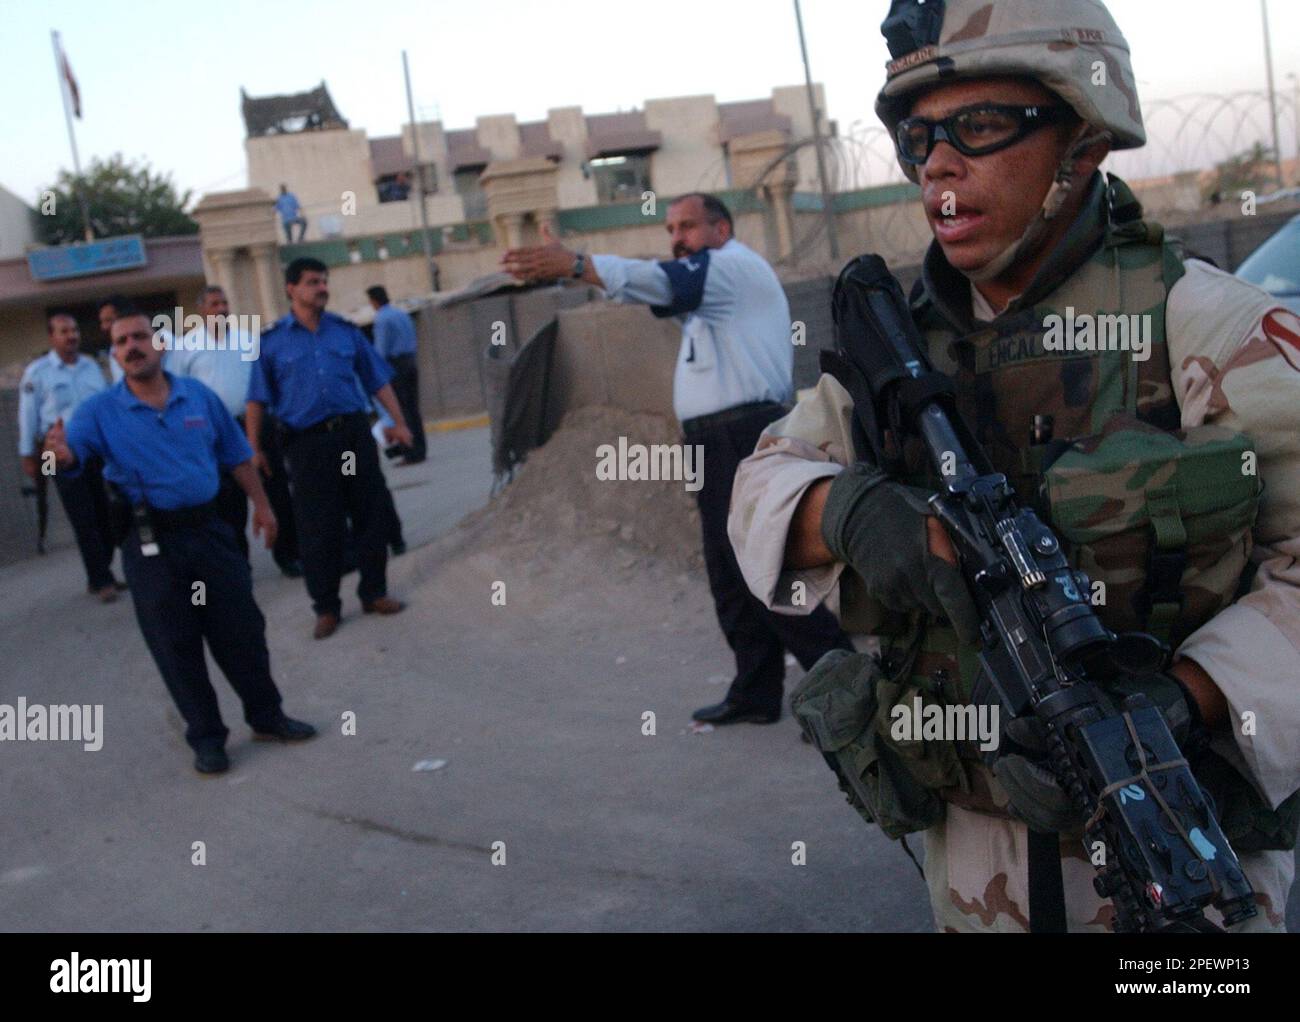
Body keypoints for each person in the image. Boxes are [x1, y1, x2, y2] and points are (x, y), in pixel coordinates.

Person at [726, 0, 1300, 932]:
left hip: (1185, 869)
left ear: (1082, 136)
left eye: (981, 127)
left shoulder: (1206, 329)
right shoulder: (902, 355)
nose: (940, 164)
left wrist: (1185, 701)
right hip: (974, 879)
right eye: (919, 139)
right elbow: (758, 488)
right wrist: (846, 511)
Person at [502, 194, 853, 725]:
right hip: (712, 443)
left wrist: (580, 264)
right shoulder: (705, 290)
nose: (677, 236)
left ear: (722, 228)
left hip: (744, 436)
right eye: (670, 227)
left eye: (688, 226)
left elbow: (662, 279)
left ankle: (844, 692)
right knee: (729, 573)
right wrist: (582, 274)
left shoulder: (732, 268)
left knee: (762, 565)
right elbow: (661, 284)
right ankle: (756, 692)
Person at [42, 307, 316, 775]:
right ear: (114, 354)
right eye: (122, 341)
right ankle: (207, 738)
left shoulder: (198, 396)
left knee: (241, 629)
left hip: (210, 532)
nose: (132, 346)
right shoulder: (98, 412)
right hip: (152, 544)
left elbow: (236, 455)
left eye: (140, 337)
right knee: (176, 642)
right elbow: (62, 463)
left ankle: (267, 716)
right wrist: (58, 457)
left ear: (160, 344)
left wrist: (264, 507)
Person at [245, 257, 412, 639]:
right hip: (307, 445)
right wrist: (254, 448)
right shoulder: (271, 343)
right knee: (319, 524)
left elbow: (377, 381)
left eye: (323, 281)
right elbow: (256, 399)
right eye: (311, 282)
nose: (321, 288)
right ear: (291, 289)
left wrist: (399, 423)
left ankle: (374, 592)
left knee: (368, 511)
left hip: (351, 436)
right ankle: (326, 607)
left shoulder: (345, 333)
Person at [167, 285, 302, 576]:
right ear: (201, 310)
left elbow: (266, 383)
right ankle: (238, 566)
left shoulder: (247, 340)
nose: (221, 309)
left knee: (276, 491)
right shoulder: (186, 347)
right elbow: (178, 393)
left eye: (224, 303)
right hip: (214, 432)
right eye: (214, 304)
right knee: (229, 504)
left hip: (255, 425)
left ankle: (288, 554)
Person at [18, 312, 124, 601]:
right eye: (64, 331)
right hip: (53, 449)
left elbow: (105, 406)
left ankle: (99, 573)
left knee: (105, 511)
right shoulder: (37, 372)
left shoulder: (91, 366)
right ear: (52, 337)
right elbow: (27, 415)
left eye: (74, 330)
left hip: (93, 448)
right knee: (80, 514)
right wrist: (28, 456)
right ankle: (102, 580)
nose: (71, 336)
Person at [367, 285, 426, 464]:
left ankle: (410, 452)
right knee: (413, 409)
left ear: (374, 301)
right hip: (410, 362)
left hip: (395, 367)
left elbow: (380, 350)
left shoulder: (382, 319)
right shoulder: (401, 314)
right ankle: (420, 449)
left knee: (401, 411)